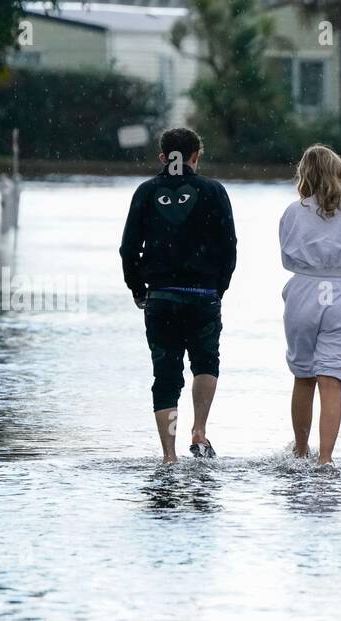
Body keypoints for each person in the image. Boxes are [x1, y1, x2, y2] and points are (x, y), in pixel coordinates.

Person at [120, 127, 237, 464]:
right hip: (203, 295)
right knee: (206, 363)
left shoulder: (145, 192)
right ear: (196, 157)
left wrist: (138, 287)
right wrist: (219, 288)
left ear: (162, 157)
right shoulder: (214, 191)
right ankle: (199, 431)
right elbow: (229, 248)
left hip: (161, 298)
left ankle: (169, 455)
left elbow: (128, 248)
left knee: (166, 375)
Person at [280, 144, 341, 467]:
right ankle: (326, 459)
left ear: (305, 175)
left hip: (304, 288)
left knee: (303, 376)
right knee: (331, 380)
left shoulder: (293, 211)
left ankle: (301, 451)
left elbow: (286, 256)